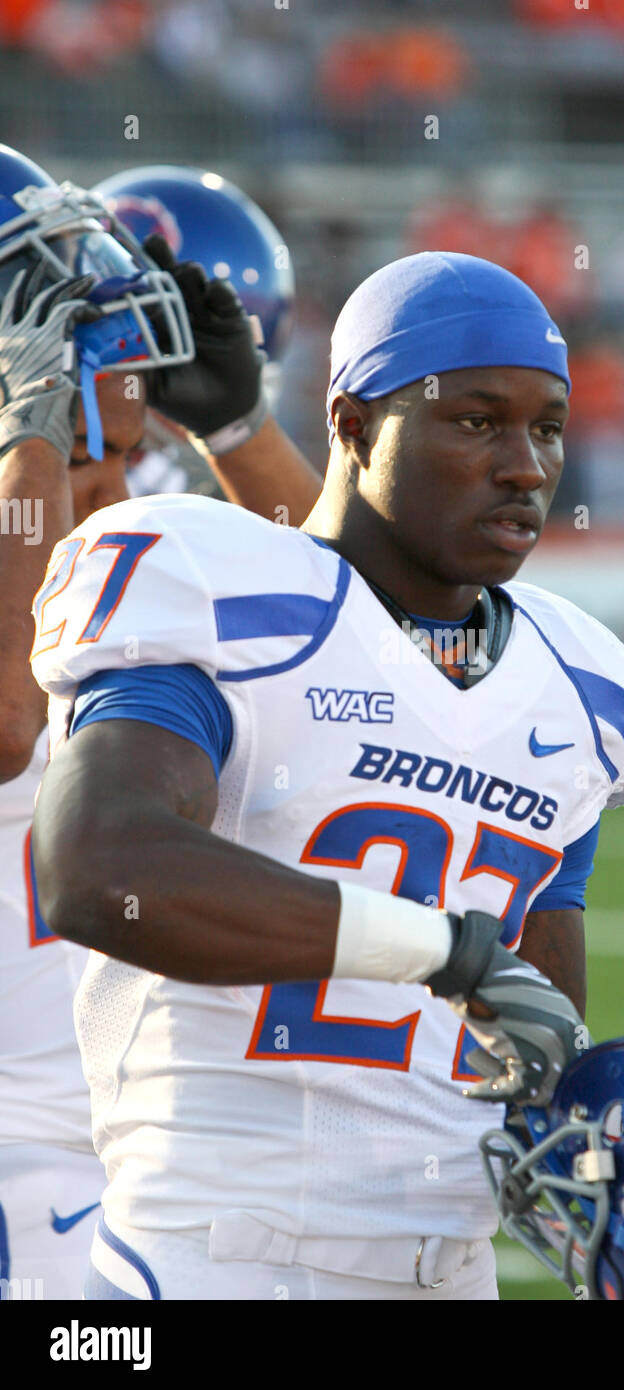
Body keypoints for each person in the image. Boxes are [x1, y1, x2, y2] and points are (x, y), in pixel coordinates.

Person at [29, 251, 624, 1301]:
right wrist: (441, 949)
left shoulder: (581, 684)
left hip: (451, 1271)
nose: (524, 465)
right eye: (473, 420)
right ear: (354, 423)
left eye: (545, 426)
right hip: (208, 1255)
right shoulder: (217, 581)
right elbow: (97, 864)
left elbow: (542, 1043)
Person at [0, 144, 318, 1299]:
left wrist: (242, 437)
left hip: (138, 1161)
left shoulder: (85, 506)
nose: (120, 481)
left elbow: (363, 633)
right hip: (29, 1177)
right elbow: (11, 718)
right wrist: (32, 437)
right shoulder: (34, 510)